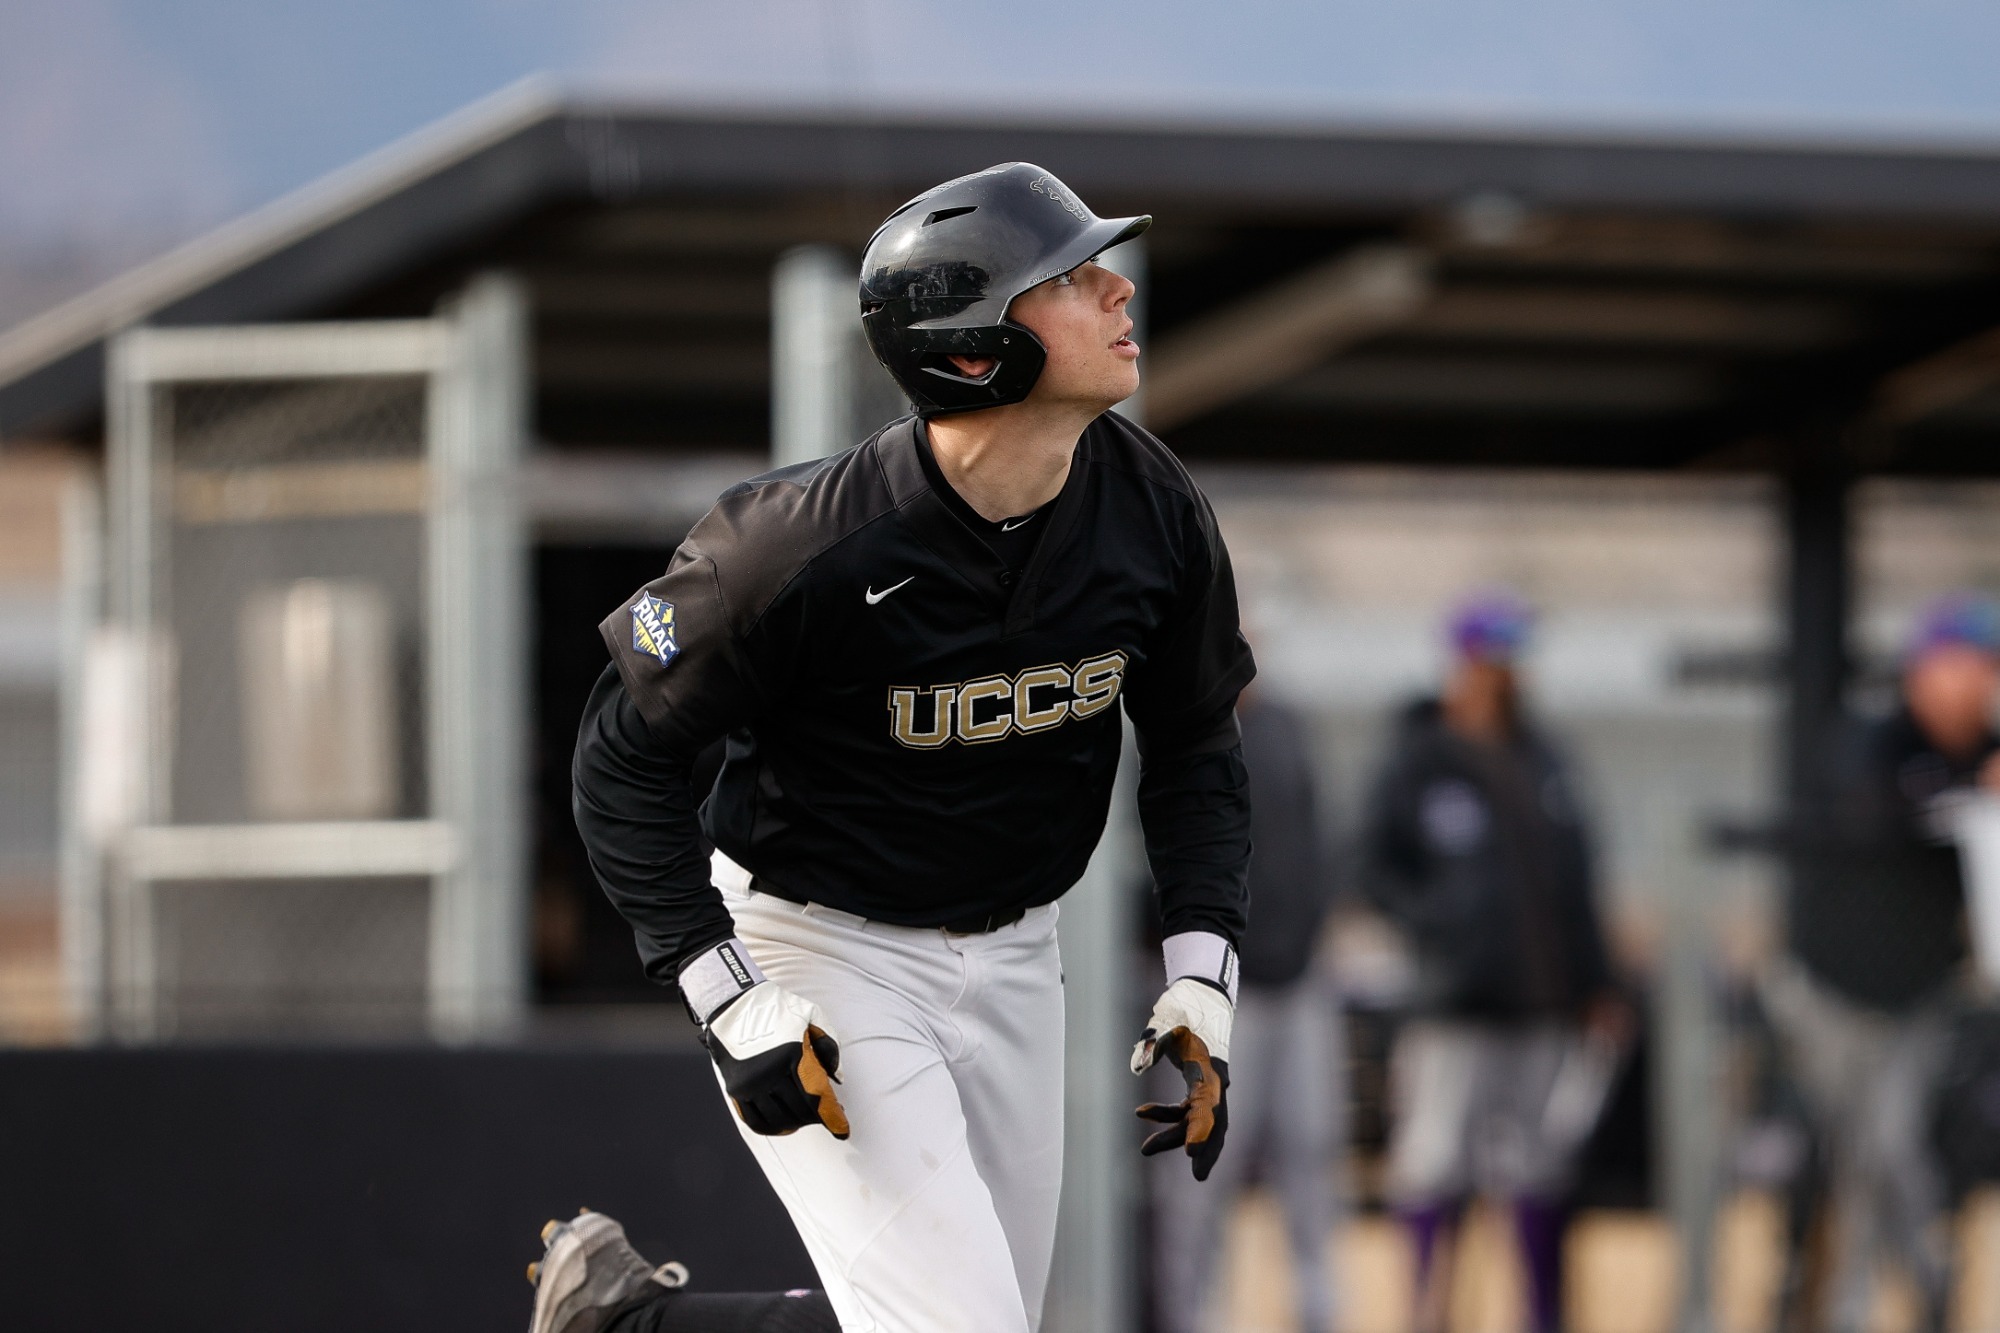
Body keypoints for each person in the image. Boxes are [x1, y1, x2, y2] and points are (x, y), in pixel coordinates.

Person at [541, 163, 1256, 1333]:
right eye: (1072, 278)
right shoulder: (788, 547)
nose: (1116, 293)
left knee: (963, 1319)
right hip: (824, 947)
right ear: (974, 347)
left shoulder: (1153, 507)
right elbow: (616, 761)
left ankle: (623, 1324)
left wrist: (1200, 967)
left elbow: (1192, 746)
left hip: (1022, 951)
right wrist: (726, 997)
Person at [1360, 593, 1627, 1333]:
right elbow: (1372, 867)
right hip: (1454, 1004)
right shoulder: (1420, 758)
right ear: (1464, 661)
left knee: (1541, 1167)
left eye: (1514, 658)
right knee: (1434, 1160)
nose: (1507, 672)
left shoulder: (1545, 760)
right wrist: (1439, 926)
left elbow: (1580, 881)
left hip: (1541, 1003)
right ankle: (1426, 1310)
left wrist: (1599, 979)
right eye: (1494, 657)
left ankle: (1542, 1315)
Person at [1764, 592, 2000, 1333]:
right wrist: (1968, 794)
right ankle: (1811, 1293)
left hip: (1917, 1004)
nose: (1977, 683)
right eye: (1964, 666)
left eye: (1987, 668)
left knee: (1893, 1151)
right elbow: (1876, 809)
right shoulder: (1871, 739)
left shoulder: (1980, 751)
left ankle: (1907, 1297)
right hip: (1825, 999)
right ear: (1925, 669)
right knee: (1828, 1155)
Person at [1148, 685, 1344, 1333]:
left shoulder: (1286, 726)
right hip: (1216, 996)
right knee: (1202, 1168)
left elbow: (1316, 843)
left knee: (1313, 1157)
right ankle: (1193, 1316)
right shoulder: (1171, 728)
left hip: (1298, 981)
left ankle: (1320, 1311)